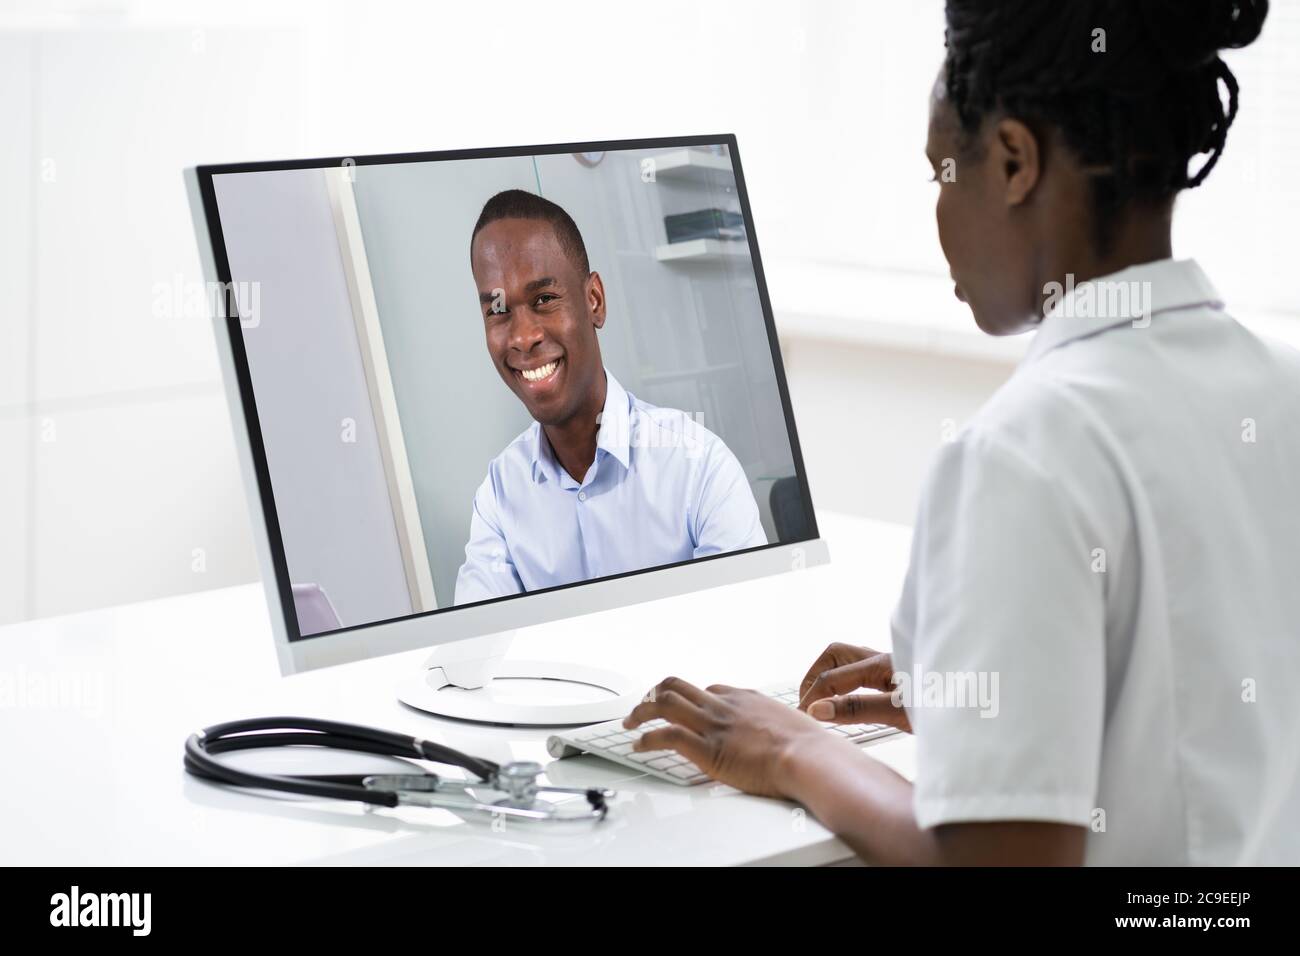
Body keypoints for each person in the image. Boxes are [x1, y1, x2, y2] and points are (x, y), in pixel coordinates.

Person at [625, 0, 1299, 865]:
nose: (938, 219)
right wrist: (997, 704)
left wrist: (792, 748)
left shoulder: (1024, 454)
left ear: (1014, 160)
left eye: (940, 174)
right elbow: (1212, 701)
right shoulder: (1277, 393)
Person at [454, 190, 766, 605]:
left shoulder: (699, 466)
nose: (523, 337)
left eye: (544, 299)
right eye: (498, 311)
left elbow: (744, 630)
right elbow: (479, 649)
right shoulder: (499, 494)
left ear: (594, 301)